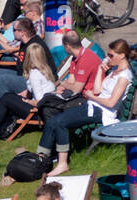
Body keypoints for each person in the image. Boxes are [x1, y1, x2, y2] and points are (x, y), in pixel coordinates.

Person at [37, 41, 133, 178]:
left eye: (111, 55)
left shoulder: (124, 77)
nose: (108, 57)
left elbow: (111, 103)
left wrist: (91, 96)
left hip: (102, 112)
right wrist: (100, 69)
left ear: (122, 55)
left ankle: (62, 163)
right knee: (53, 120)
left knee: (59, 122)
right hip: (93, 106)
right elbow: (99, 89)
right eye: (107, 54)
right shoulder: (114, 71)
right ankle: (41, 157)